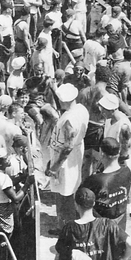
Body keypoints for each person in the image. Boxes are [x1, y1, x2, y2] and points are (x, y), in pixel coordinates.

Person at [48, 84, 89, 231]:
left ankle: (65, 228)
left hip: (65, 159)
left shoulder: (69, 120)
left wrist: (55, 167)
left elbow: (67, 147)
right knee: (72, 187)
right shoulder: (81, 109)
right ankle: (71, 222)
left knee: (64, 193)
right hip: (76, 152)